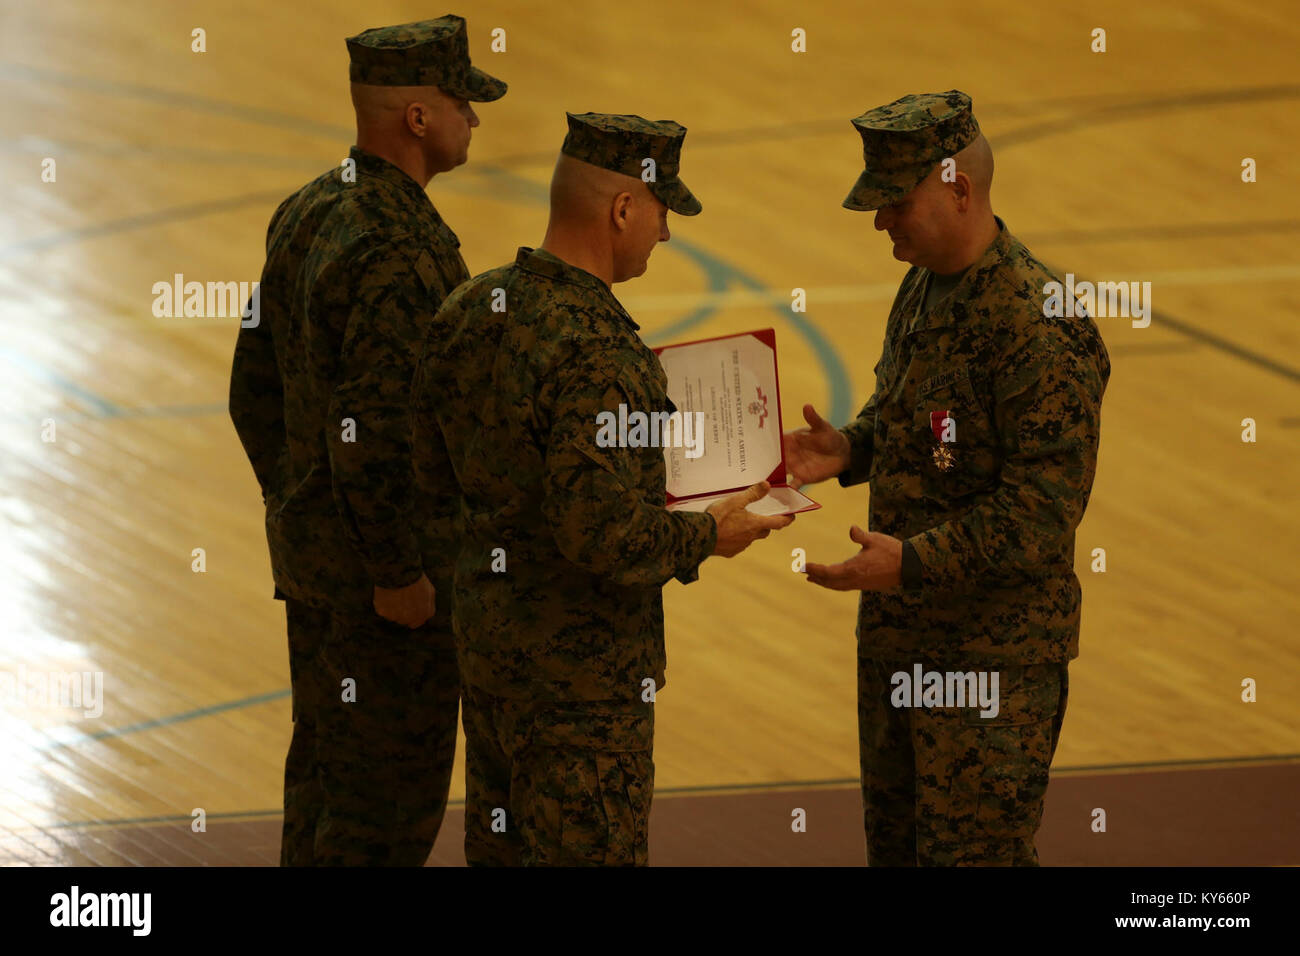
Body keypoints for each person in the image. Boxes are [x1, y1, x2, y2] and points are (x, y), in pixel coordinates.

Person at [411, 112, 792, 866]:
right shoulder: (601, 352)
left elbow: (429, 476)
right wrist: (709, 535)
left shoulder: (469, 309)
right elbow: (601, 533)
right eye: (661, 213)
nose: (666, 233)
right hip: (581, 696)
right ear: (623, 208)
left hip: (489, 660)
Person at [785, 90, 1110, 866]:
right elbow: (923, 421)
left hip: (989, 660)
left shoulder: (1041, 322)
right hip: (903, 644)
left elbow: (1041, 510)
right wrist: (853, 449)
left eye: (896, 202)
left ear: (958, 187)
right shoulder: (926, 281)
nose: (880, 221)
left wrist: (915, 562)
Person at [227, 15, 505, 866]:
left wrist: (296, 508)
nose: (476, 118)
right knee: (380, 814)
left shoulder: (309, 208)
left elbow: (252, 391)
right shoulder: (398, 246)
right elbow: (375, 433)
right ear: (417, 117)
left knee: (321, 783)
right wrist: (397, 571)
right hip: (389, 595)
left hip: (317, 563)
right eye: (463, 100)